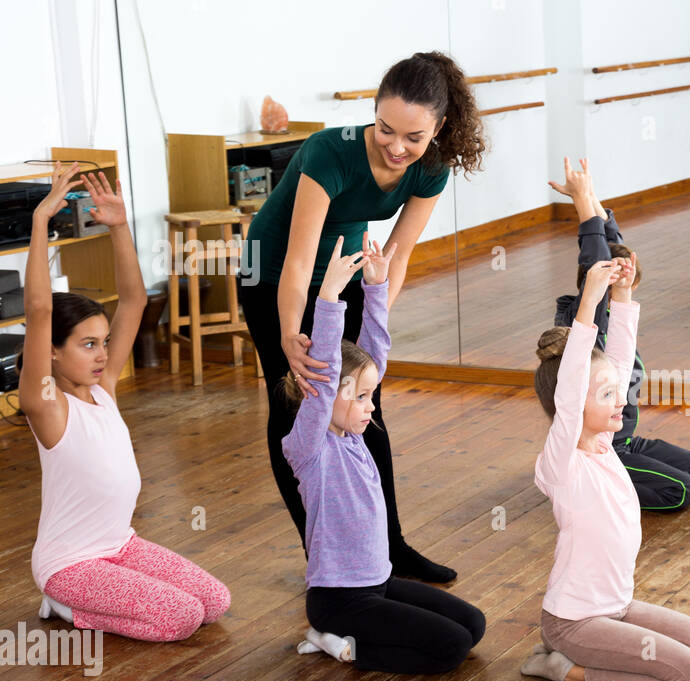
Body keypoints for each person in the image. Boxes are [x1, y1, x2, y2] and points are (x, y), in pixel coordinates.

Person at [240, 51, 487, 584]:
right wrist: (289, 333)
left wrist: (373, 329)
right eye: (385, 130)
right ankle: (326, 555)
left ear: (438, 128)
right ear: (372, 113)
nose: (398, 147)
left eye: (414, 138)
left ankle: (388, 548)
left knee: (361, 404)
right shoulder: (329, 151)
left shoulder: (431, 167)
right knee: (298, 408)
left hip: (348, 270)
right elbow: (299, 259)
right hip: (273, 274)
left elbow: (398, 254)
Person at [23, 164, 230, 641]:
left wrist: (119, 226)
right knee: (178, 619)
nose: (102, 355)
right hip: (69, 564)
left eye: (104, 342)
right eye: (87, 345)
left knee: (214, 603)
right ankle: (66, 607)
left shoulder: (103, 389)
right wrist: (40, 222)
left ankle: (87, 602)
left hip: (119, 546)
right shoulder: (47, 404)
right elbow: (38, 311)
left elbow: (134, 301)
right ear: (53, 350)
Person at [522, 255, 690, 681]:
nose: (621, 403)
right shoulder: (562, 463)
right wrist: (589, 302)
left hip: (617, 610)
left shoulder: (605, 448)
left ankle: (597, 654)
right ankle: (563, 668)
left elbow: (615, 363)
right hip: (574, 623)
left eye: (619, 393)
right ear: (574, 404)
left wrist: (623, 296)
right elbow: (576, 381)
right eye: (606, 396)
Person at [287, 235, 484, 673]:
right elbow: (326, 379)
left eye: (369, 395)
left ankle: (351, 637)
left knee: (473, 625)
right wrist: (329, 296)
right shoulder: (311, 447)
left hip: (379, 582)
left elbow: (373, 354)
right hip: (339, 600)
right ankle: (337, 643)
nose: (370, 405)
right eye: (358, 397)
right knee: (450, 649)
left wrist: (375, 288)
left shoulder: (354, 437)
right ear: (324, 394)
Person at [550, 159, 690, 512]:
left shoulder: (619, 314)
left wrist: (591, 196)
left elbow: (612, 242)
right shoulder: (591, 320)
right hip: (606, 445)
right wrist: (582, 203)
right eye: (613, 272)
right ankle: (595, 488)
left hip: (627, 440)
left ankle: (608, 479)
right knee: (681, 491)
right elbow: (596, 253)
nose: (622, 274)